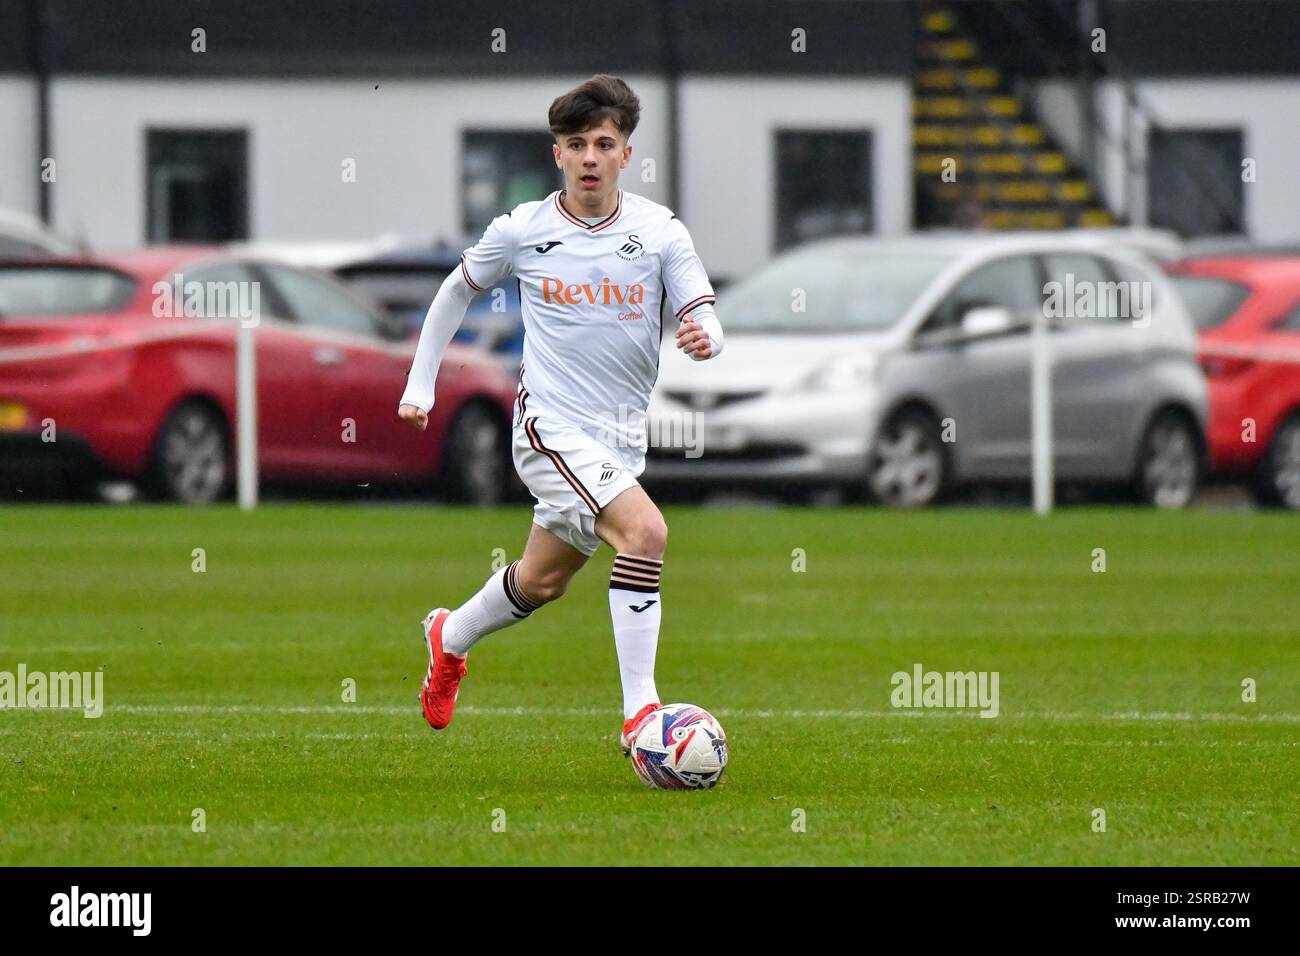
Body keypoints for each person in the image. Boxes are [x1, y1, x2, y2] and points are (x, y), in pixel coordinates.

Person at [397, 74, 724, 754]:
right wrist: (420, 385)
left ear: (626, 155)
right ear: (557, 154)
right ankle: (643, 717)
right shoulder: (522, 230)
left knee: (542, 581)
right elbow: (454, 293)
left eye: (604, 143)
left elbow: (703, 311)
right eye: (576, 144)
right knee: (646, 534)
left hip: (617, 442)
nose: (590, 158)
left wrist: (703, 336)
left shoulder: (659, 231)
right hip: (547, 430)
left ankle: (449, 635)